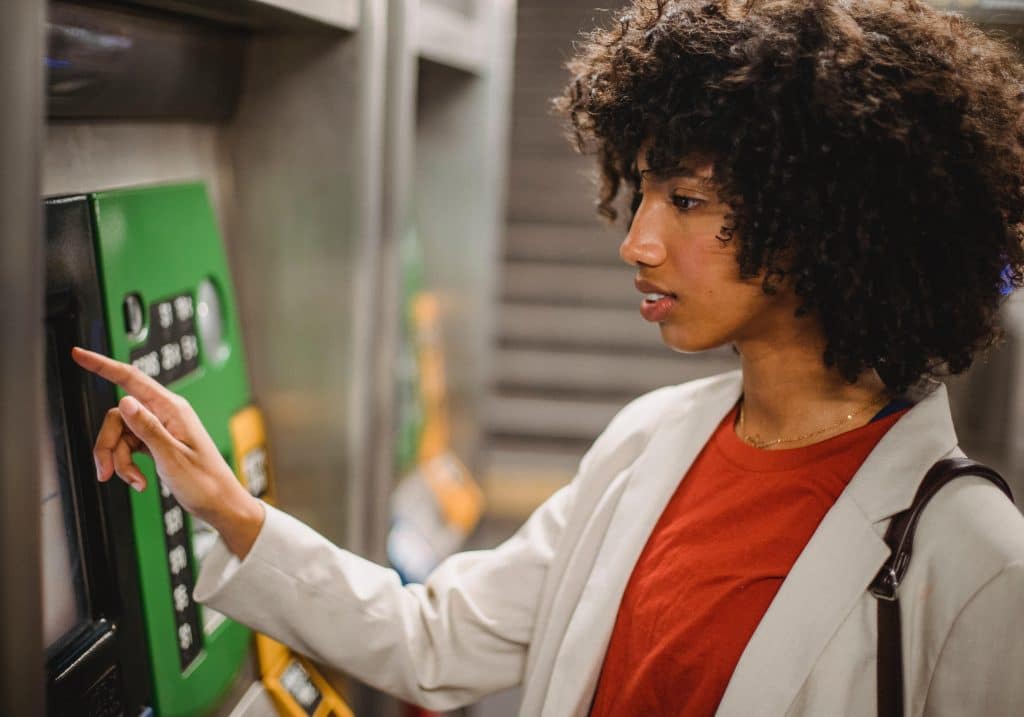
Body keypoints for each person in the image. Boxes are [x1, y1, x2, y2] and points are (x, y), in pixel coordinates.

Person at [73, 1, 1024, 715]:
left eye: (686, 202)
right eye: (641, 191)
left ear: (828, 225)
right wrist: (228, 508)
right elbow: (437, 639)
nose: (638, 241)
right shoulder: (653, 439)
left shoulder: (975, 559)